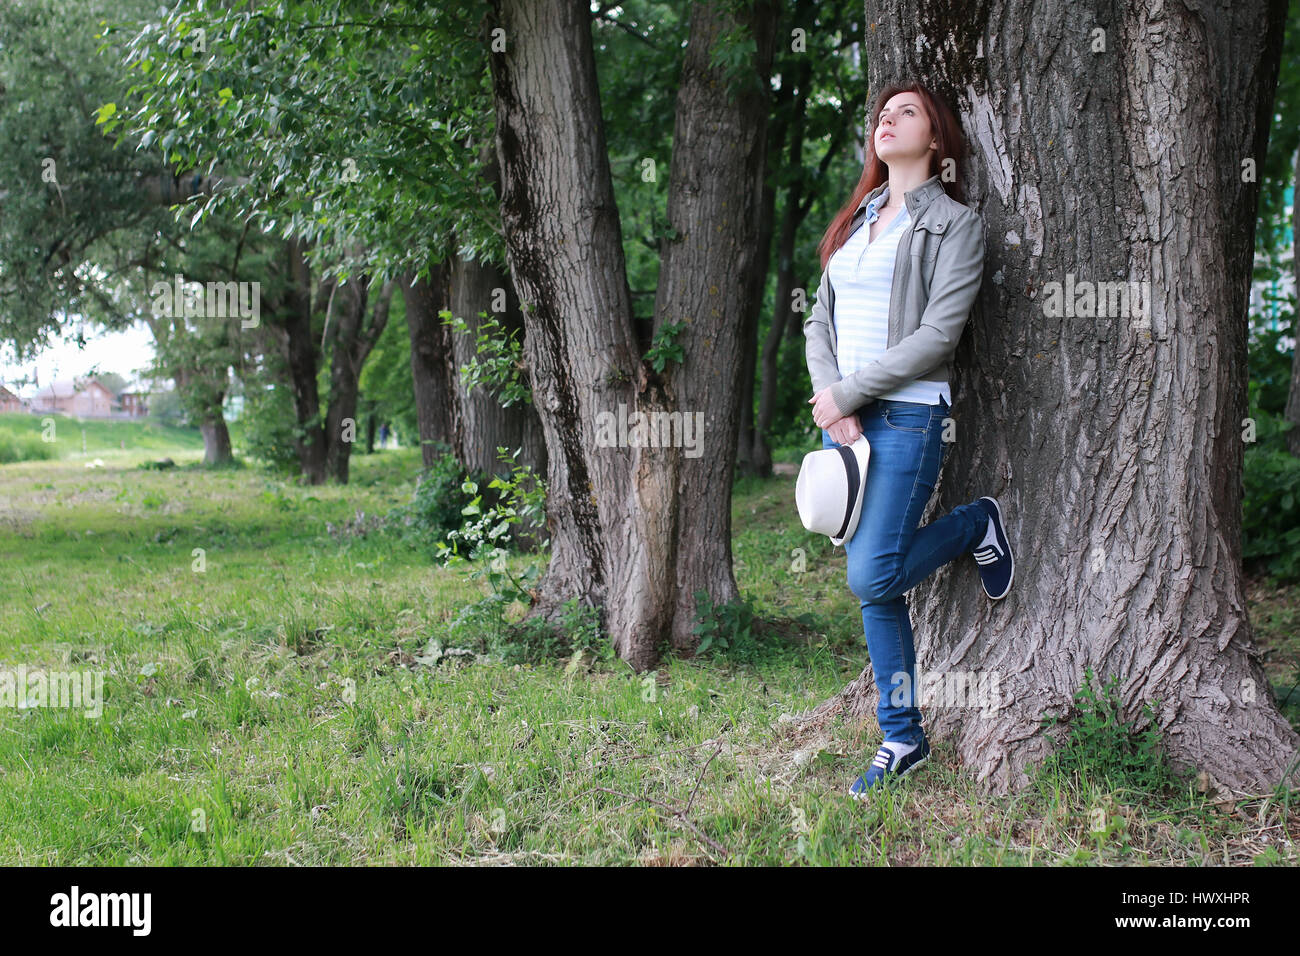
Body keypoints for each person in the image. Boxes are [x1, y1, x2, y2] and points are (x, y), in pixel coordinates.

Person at [803, 81, 1015, 796]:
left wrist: (849, 395)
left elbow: (937, 337)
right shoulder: (855, 220)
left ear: (935, 139)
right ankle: (902, 737)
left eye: (906, 112)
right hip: (848, 423)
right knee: (877, 588)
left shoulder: (956, 226)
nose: (886, 121)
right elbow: (817, 322)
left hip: (911, 416)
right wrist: (832, 402)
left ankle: (974, 522)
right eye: (881, 113)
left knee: (872, 574)